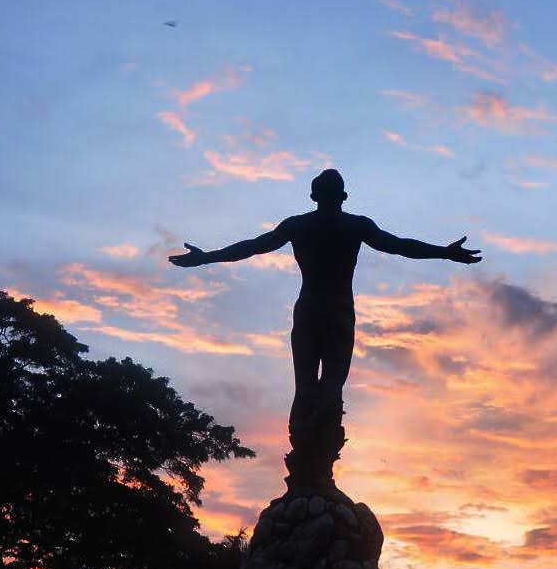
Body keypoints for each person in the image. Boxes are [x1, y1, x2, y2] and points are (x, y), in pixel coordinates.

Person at [169, 168, 480, 405]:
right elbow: (400, 246)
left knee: (305, 386)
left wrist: (206, 258)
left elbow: (252, 246)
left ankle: (311, 468)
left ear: (313, 196)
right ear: (343, 197)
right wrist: (444, 252)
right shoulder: (356, 226)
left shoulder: (299, 225)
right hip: (338, 310)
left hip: (309, 308)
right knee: (331, 387)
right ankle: (313, 469)